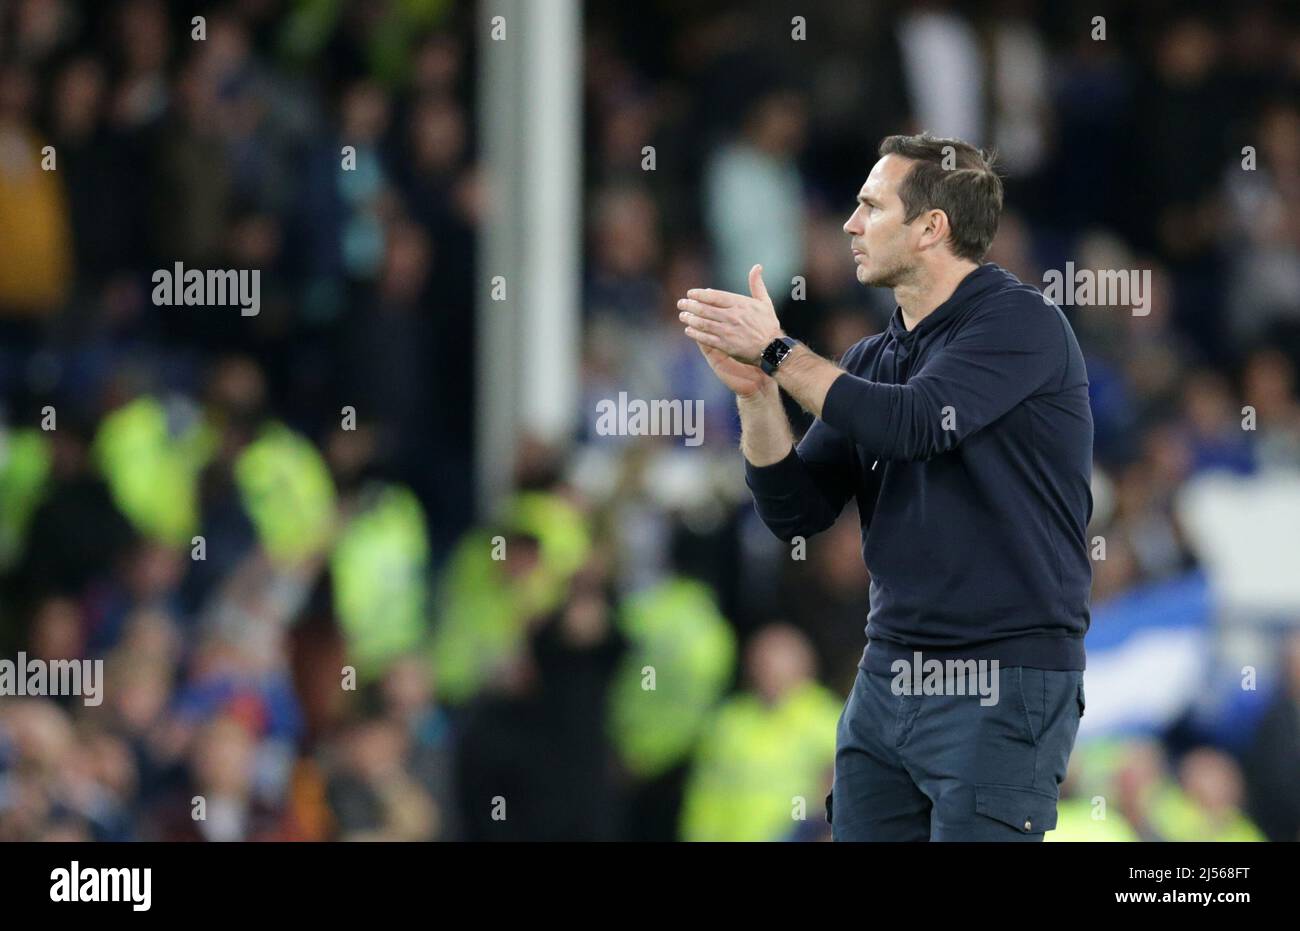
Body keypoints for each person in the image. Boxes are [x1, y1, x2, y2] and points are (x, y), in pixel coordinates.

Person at [679, 133, 1093, 841]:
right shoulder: (875, 358)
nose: (850, 224)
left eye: (871, 206)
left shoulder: (1021, 323)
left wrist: (778, 352)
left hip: (1001, 675)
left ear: (931, 227)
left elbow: (915, 422)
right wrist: (757, 394)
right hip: (890, 672)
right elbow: (796, 511)